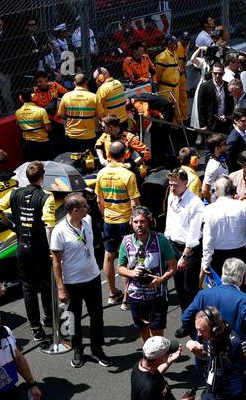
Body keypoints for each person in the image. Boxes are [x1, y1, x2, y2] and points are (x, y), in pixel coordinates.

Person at [0, 162, 56, 343]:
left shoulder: (13, 193)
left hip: (22, 246)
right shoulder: (46, 196)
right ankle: (49, 318)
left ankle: (36, 328)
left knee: (28, 288)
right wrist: (52, 249)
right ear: (42, 177)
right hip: (40, 248)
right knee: (45, 283)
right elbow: (49, 224)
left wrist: (10, 224)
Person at [49, 192, 114, 370]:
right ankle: (78, 349)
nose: (88, 207)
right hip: (73, 283)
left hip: (92, 277)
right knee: (73, 318)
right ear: (75, 210)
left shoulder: (88, 220)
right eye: (85, 205)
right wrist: (61, 288)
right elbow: (56, 261)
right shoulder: (59, 231)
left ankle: (97, 349)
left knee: (97, 316)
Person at [118, 206, 178, 343]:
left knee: (157, 333)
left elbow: (172, 266)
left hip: (157, 296)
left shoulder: (161, 240)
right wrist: (132, 273)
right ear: (131, 223)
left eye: (142, 221)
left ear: (149, 222)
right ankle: (149, 358)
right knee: (143, 330)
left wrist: (161, 280)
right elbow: (120, 268)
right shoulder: (126, 241)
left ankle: (158, 359)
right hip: (135, 296)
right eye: (136, 222)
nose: (139, 225)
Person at [180, 257, 246, 352]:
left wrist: (201, 337)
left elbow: (186, 318)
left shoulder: (203, 295)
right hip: (234, 353)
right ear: (241, 279)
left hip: (207, 351)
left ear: (223, 274)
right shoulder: (244, 299)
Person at [96, 140, 141, 306]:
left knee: (109, 256)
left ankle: (112, 293)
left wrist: (104, 215)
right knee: (127, 258)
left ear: (108, 154)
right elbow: (135, 203)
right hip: (125, 221)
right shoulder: (128, 175)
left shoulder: (101, 174)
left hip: (109, 219)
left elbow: (99, 200)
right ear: (125, 155)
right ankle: (126, 298)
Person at [164, 169, 205, 337]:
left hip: (189, 250)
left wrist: (184, 256)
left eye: (175, 185)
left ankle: (197, 323)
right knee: (180, 289)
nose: (172, 187)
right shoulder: (172, 197)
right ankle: (186, 322)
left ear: (185, 184)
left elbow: (195, 235)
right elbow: (170, 222)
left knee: (190, 289)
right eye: (170, 184)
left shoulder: (195, 204)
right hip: (173, 245)